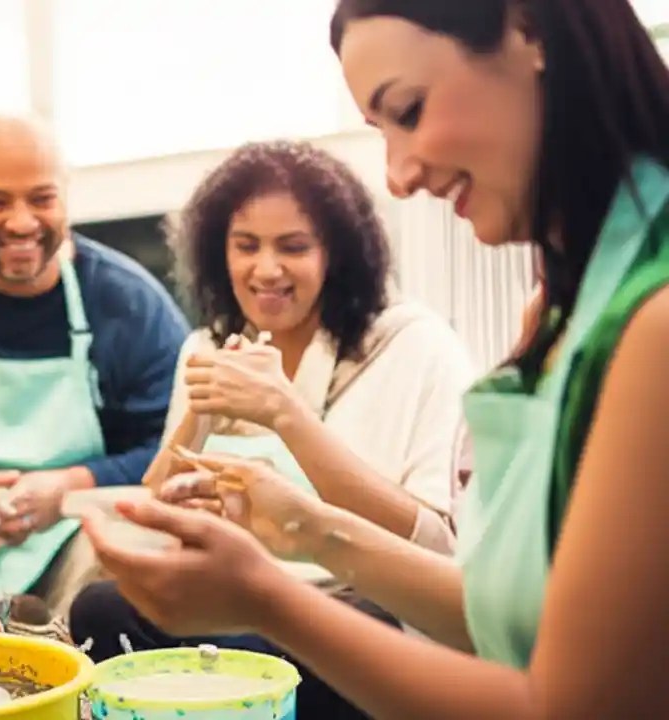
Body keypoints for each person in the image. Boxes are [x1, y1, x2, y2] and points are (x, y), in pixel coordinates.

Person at [81, 1, 669, 718]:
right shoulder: (562, 310)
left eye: (410, 110)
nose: (399, 175)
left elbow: (563, 698)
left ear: (530, 33)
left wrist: (268, 594)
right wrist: (299, 526)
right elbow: (504, 618)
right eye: (379, 129)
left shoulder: (644, 322)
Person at [69, 140, 475, 718]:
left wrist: (287, 414)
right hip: (229, 602)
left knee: (347, 627)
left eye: (293, 247)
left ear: (335, 253)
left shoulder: (413, 343)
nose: (266, 270)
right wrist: (199, 418)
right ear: (218, 251)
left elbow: (438, 544)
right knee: (100, 610)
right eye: (245, 246)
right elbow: (150, 523)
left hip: (357, 609)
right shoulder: (207, 347)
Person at [0, 115, 189, 619]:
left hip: (68, 538)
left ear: (67, 195)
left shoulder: (132, 308)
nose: (22, 222)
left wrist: (70, 488)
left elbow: (173, 443)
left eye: (42, 199)